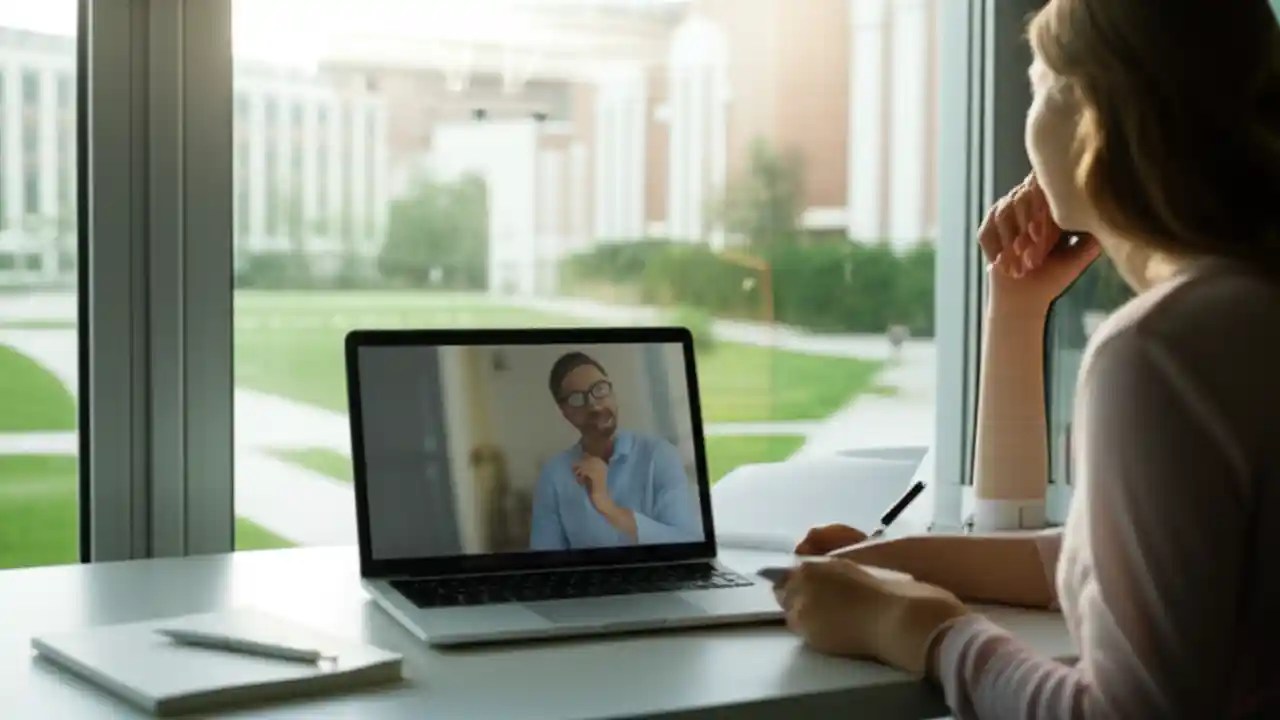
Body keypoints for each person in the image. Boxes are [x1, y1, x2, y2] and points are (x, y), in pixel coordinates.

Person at [775, 0, 1280, 717]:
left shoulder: (1165, 349)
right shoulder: (1242, 312)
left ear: (1097, 119)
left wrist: (917, 628)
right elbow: (1090, 563)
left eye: (1041, 85)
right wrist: (887, 568)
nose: (1030, 115)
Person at [529, 351, 703, 550]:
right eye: (577, 398)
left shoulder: (660, 455)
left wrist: (607, 507)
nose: (594, 404)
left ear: (612, 392)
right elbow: (545, 561)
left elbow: (688, 544)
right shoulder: (553, 475)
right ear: (565, 412)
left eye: (599, 389)